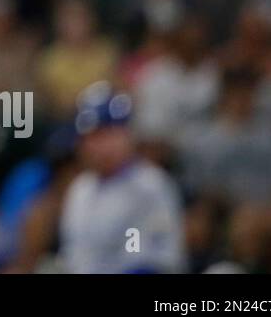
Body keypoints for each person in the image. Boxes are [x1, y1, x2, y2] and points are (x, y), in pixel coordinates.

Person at [59, 81, 187, 273]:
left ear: (127, 135)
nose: (97, 146)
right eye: (90, 137)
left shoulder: (151, 186)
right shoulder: (80, 188)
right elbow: (73, 256)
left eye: (106, 135)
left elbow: (158, 260)